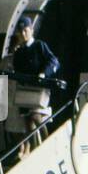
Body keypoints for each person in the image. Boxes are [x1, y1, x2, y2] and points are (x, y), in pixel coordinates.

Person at [10, 16, 61, 151]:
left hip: (39, 90)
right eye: (20, 31)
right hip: (25, 90)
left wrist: (44, 73)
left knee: (36, 116)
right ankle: (36, 148)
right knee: (28, 121)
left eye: (26, 30)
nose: (23, 34)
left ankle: (48, 146)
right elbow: (16, 69)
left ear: (31, 30)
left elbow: (54, 61)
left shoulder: (39, 45)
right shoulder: (19, 52)